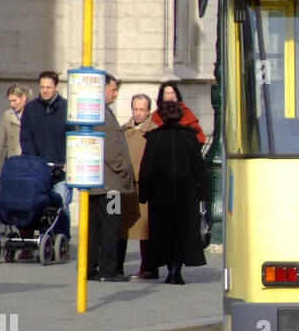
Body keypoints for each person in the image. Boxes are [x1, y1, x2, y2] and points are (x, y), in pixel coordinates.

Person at [138, 99, 208, 285]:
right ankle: (177, 269)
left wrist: (143, 194)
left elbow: (146, 168)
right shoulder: (189, 137)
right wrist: (204, 194)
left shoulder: (154, 137)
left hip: (161, 194)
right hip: (186, 193)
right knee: (182, 231)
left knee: (165, 231)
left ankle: (171, 268)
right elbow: (199, 167)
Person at [87, 74, 135, 282]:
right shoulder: (102, 115)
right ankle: (108, 269)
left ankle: (90, 268)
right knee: (111, 225)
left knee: (96, 226)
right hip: (111, 185)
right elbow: (110, 149)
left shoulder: (102, 112)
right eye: (113, 90)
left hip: (101, 184)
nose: (116, 94)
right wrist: (122, 168)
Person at [19, 70, 70, 240]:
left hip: (61, 168)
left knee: (61, 205)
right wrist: (32, 161)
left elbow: (72, 137)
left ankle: (61, 239)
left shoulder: (67, 108)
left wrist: (68, 161)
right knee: (36, 204)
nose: (45, 90)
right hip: (37, 169)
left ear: (56, 87)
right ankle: (38, 238)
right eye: (42, 87)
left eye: (49, 87)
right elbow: (25, 137)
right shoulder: (31, 109)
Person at [119, 93, 156, 279]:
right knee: (119, 227)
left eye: (142, 109)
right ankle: (116, 266)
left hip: (144, 187)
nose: (138, 113)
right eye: (135, 109)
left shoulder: (154, 132)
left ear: (149, 110)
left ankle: (148, 268)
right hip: (124, 187)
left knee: (145, 230)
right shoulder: (124, 130)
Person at [0, 84, 29, 181]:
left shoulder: (32, 113)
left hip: (27, 163)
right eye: (10, 101)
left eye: (14, 100)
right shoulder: (8, 115)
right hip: (12, 162)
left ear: (24, 98)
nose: (12, 104)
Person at [152, 81, 206, 145]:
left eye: (173, 93)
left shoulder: (185, 111)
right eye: (167, 93)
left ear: (176, 95)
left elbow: (198, 134)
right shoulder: (156, 114)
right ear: (162, 97)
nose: (170, 96)